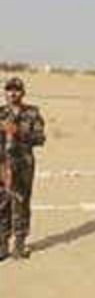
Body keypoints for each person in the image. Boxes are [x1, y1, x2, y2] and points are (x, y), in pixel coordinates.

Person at [0, 77, 46, 262]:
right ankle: (2, 244)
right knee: (2, 202)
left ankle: (19, 244)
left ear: (23, 92)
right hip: (2, 164)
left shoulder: (33, 113)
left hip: (24, 164)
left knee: (22, 201)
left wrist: (18, 131)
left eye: (17, 90)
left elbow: (40, 139)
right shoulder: (0, 113)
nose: (13, 93)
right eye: (9, 90)